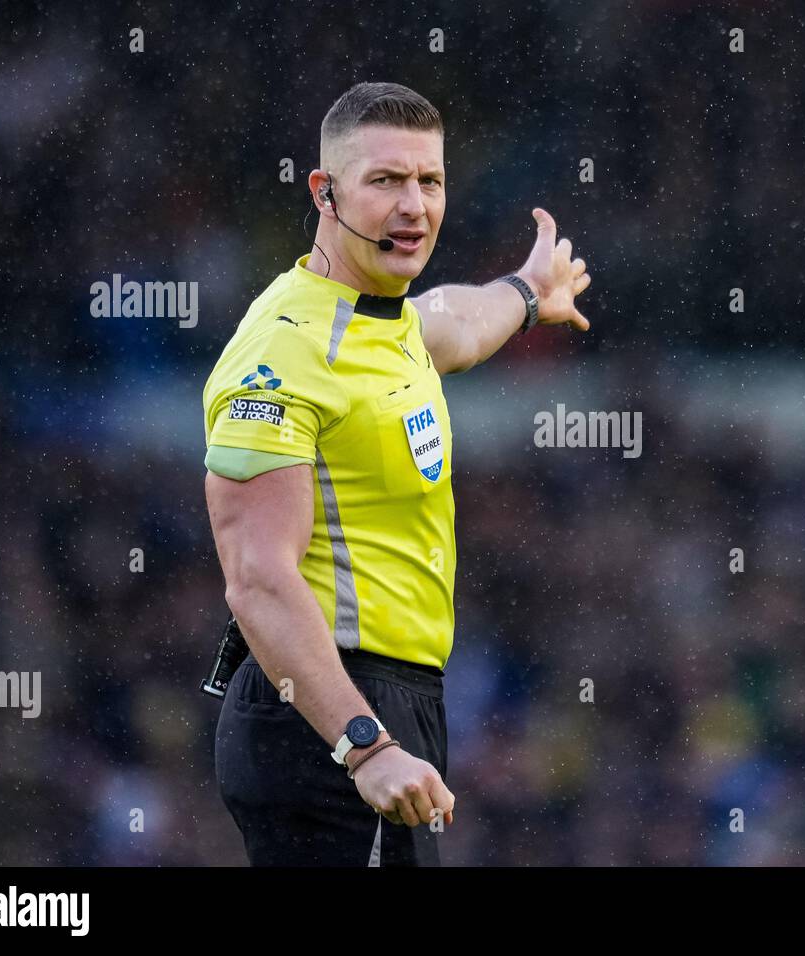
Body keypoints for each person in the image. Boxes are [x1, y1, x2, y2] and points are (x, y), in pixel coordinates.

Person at [201, 81, 591, 865]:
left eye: (430, 181)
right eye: (385, 181)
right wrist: (364, 746)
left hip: (388, 703)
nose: (414, 205)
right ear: (326, 193)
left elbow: (454, 322)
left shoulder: (390, 322)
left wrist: (524, 292)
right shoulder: (280, 356)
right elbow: (258, 579)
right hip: (327, 709)